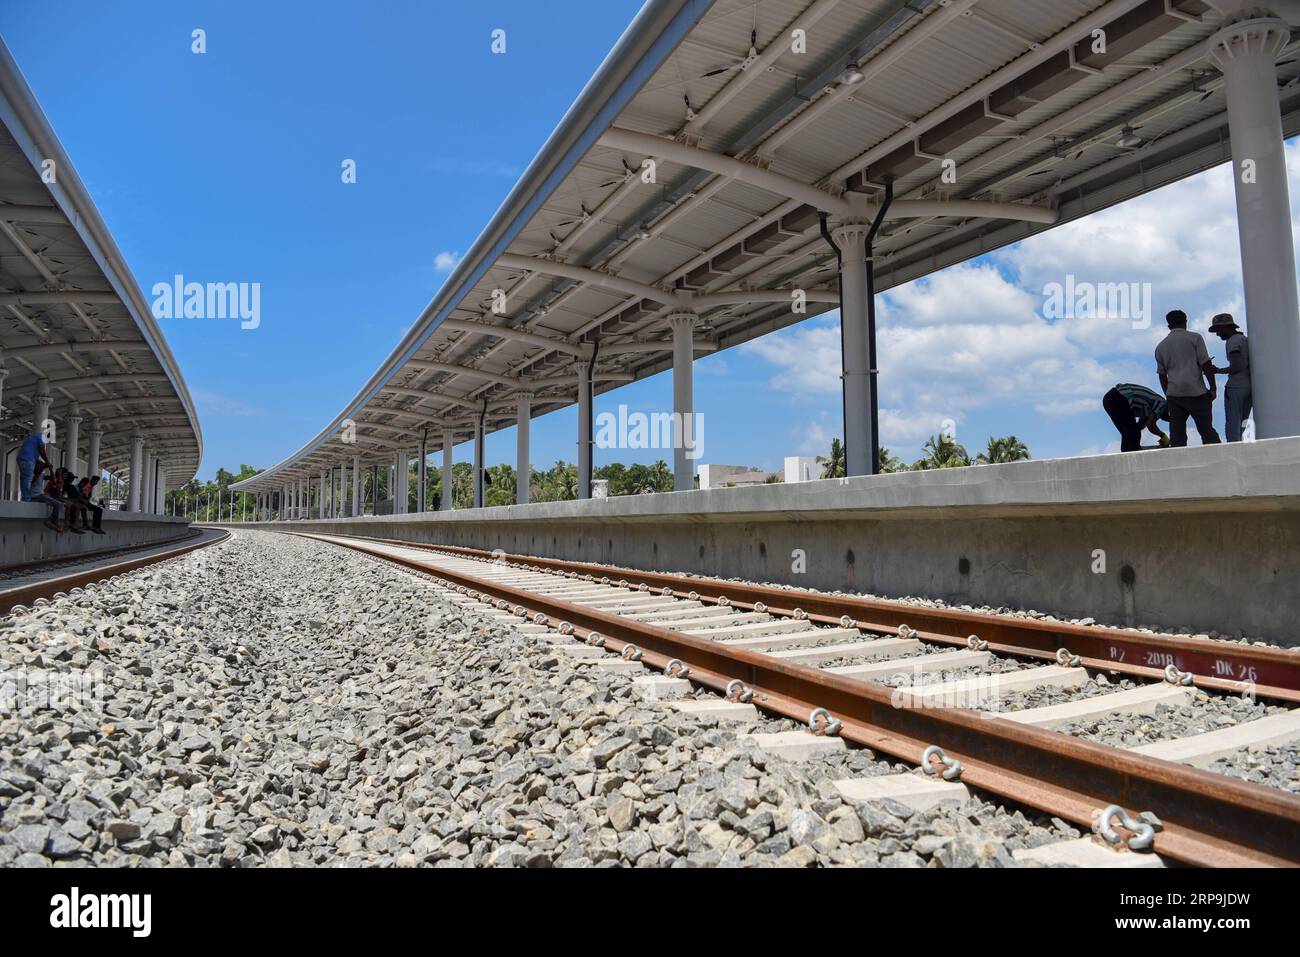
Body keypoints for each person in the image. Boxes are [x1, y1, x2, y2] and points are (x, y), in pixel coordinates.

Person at [1154, 310, 1221, 447]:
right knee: (1207, 431)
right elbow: (1205, 364)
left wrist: (1168, 393)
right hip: (1197, 392)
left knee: (1177, 435)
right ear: (1185, 321)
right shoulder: (1195, 338)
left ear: (1169, 326)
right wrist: (1213, 388)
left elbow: (1162, 374)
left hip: (1175, 394)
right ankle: (1217, 458)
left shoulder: (1161, 346)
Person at [1209, 313, 1252, 442]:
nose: (1217, 334)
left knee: (1233, 425)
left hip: (1236, 386)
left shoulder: (1233, 341)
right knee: (1242, 424)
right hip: (1249, 385)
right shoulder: (1244, 339)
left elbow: (1238, 366)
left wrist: (1218, 370)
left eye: (1218, 330)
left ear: (1226, 327)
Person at [1103, 383, 1170, 452]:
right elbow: (1151, 425)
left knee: (1130, 433)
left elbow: (1139, 427)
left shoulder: (1147, 411)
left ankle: (1129, 453)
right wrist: (1163, 436)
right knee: (1132, 432)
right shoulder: (1162, 404)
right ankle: (1129, 455)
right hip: (1118, 397)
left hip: (1109, 399)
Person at [16, 429, 53, 503]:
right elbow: (42, 451)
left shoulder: (34, 437)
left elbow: (36, 457)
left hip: (23, 458)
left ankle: (25, 497)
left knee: (25, 479)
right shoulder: (40, 437)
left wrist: (45, 464)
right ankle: (26, 498)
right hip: (27, 460)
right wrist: (47, 462)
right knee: (27, 479)